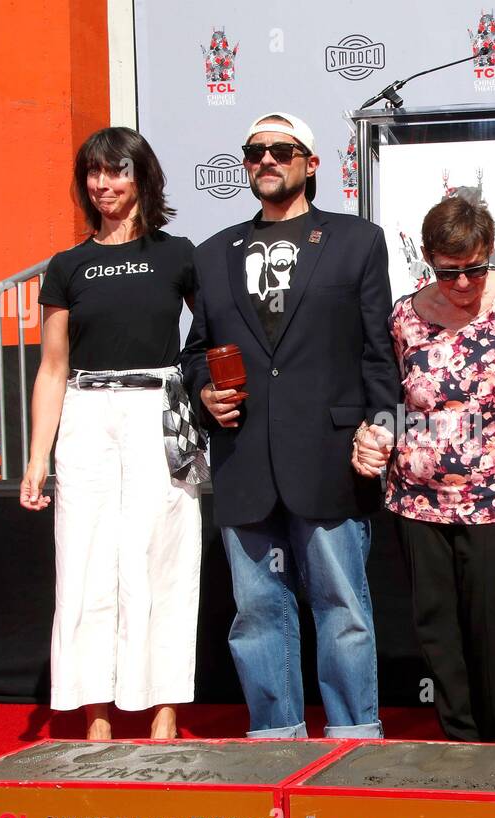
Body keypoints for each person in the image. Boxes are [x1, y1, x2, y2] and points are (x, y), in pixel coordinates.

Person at [181, 112, 398, 739]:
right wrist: (203, 392)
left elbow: (377, 354)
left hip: (331, 455)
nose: (266, 160)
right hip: (244, 456)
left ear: (311, 163)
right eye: (254, 152)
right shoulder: (212, 253)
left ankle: (354, 738)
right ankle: (275, 742)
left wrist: (382, 427)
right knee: (255, 613)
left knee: (344, 608)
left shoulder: (357, 240)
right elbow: (197, 350)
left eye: (282, 149)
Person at [21, 127, 203, 741]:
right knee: (85, 558)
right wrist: (35, 458)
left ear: (142, 177)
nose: (104, 184)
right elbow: (53, 367)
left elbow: (209, 339)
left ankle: (164, 709)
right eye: (94, 173)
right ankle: (93, 709)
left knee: (164, 555)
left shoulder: (178, 254)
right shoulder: (67, 266)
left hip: (159, 413)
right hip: (85, 415)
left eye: (117, 171)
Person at [364, 196, 495, 743]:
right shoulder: (403, 317)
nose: (463, 283)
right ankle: (460, 746)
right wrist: (374, 433)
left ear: (490, 255)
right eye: (448, 271)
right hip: (419, 500)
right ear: (428, 259)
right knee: (438, 631)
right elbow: (391, 399)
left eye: (474, 268)